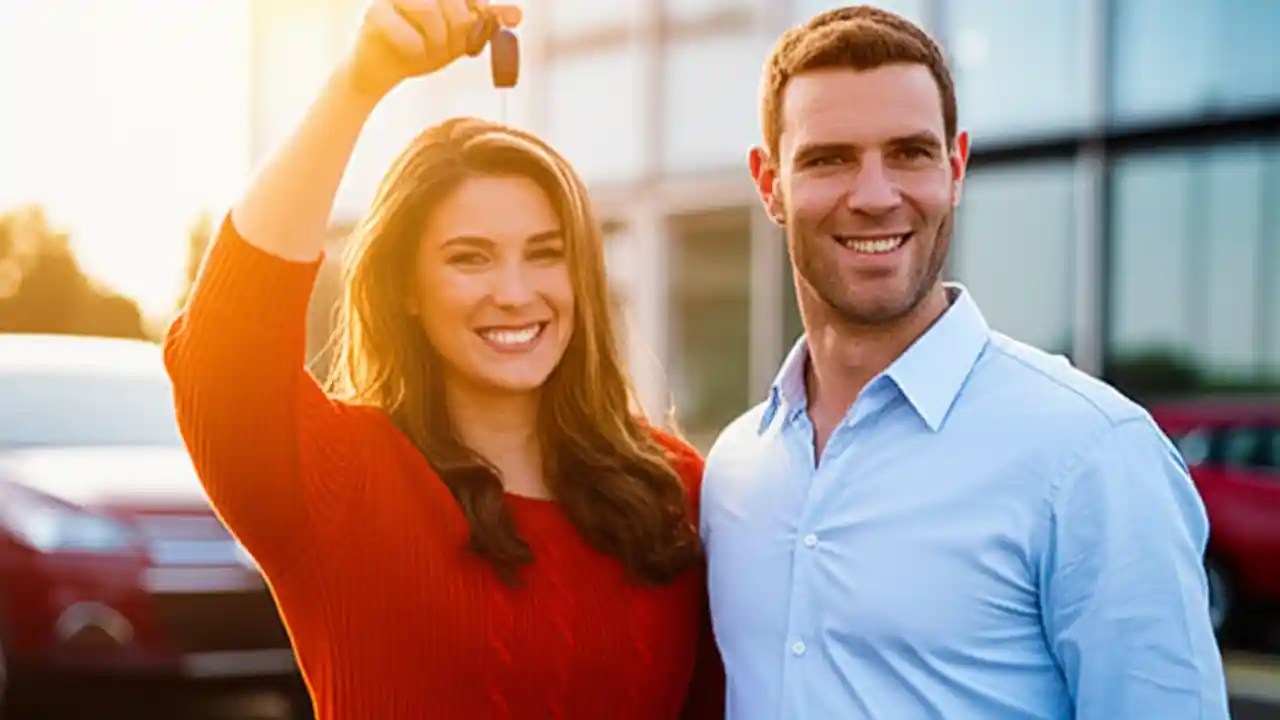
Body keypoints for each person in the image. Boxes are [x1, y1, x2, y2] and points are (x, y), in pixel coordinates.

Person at [163, 1, 723, 717]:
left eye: (545, 254)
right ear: (408, 291)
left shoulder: (676, 491)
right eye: (470, 259)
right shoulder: (338, 482)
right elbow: (222, 353)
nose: (516, 294)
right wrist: (358, 85)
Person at [700, 6, 1230, 719]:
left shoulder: (1092, 456)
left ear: (955, 168)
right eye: (829, 159)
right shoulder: (733, 470)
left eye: (910, 153)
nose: (876, 195)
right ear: (769, 184)